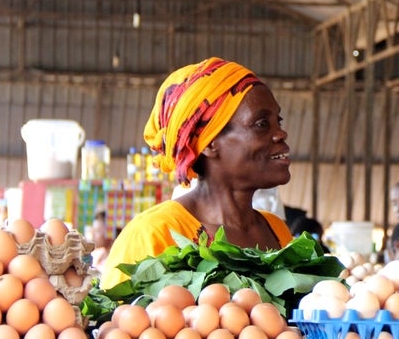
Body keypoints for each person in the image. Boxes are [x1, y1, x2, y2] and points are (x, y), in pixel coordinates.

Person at [101, 57, 293, 288]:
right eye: (262, 124)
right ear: (210, 143)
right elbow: (119, 321)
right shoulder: (154, 234)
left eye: (278, 121)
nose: (281, 134)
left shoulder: (276, 230)